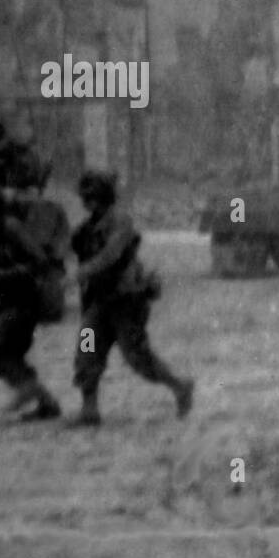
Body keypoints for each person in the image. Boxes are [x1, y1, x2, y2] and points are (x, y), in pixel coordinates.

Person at [69, 170, 193, 426]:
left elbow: (111, 255)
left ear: (104, 197)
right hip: (100, 302)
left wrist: (81, 272)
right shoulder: (86, 229)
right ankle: (89, 410)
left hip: (127, 301)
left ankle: (179, 387)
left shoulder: (120, 221)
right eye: (85, 198)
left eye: (92, 197)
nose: (88, 203)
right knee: (87, 350)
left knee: (138, 358)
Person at [0, 181, 61, 420]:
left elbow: (40, 263)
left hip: (25, 300)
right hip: (3, 302)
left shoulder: (11, 229)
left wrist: (2, 275)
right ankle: (45, 401)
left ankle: (26, 389)